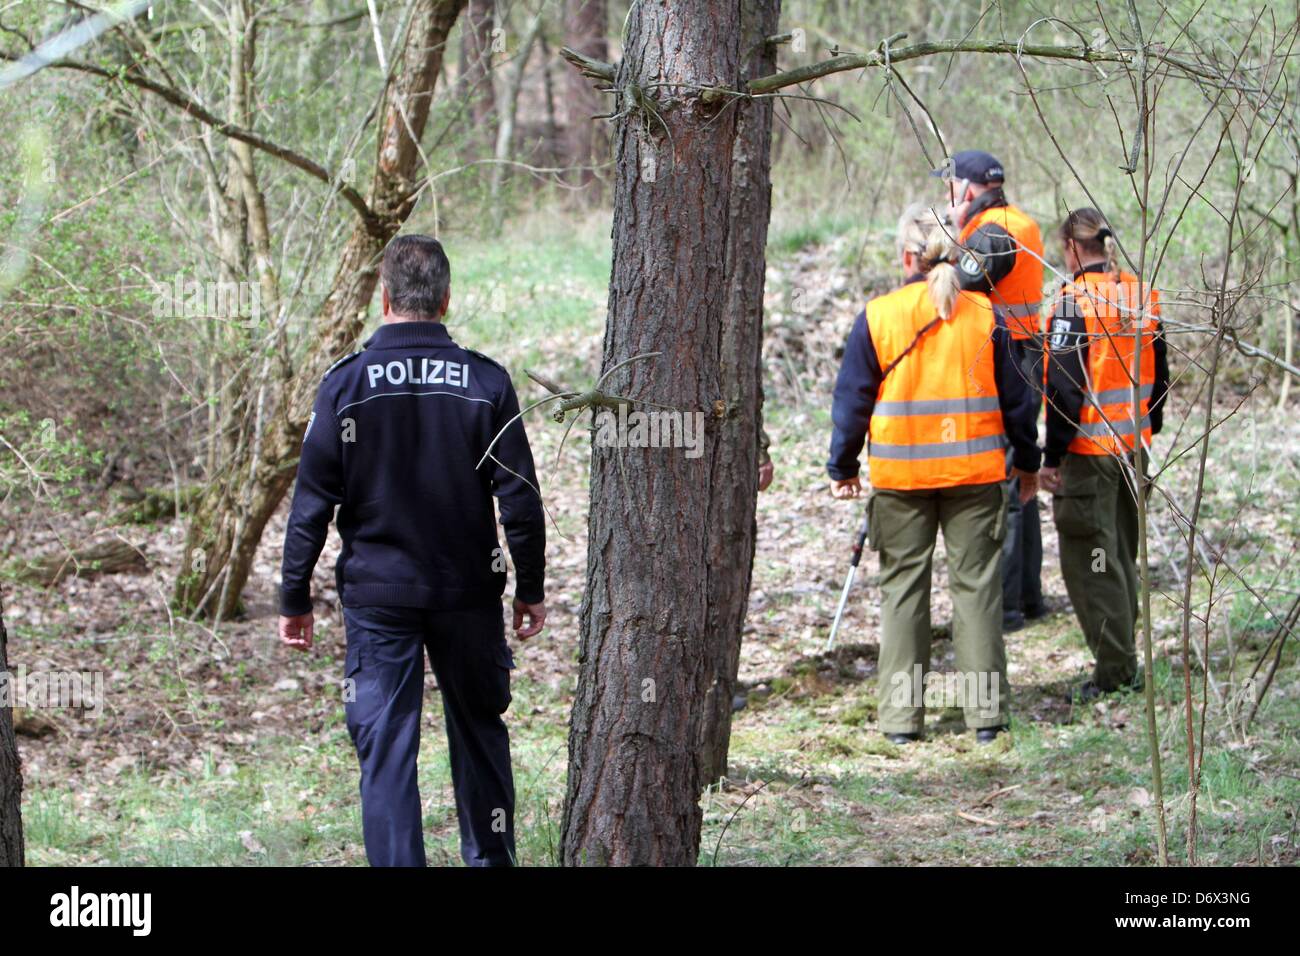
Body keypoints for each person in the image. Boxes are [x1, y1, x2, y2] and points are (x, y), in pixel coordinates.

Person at [277, 234, 547, 866]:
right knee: (480, 734)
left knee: (387, 748)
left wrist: (294, 597)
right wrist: (529, 587)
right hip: (467, 593)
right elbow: (520, 498)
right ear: (446, 299)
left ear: (384, 298)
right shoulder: (485, 382)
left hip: (378, 594)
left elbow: (311, 503)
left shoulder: (344, 384)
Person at [826, 203, 1041, 744]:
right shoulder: (988, 316)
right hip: (976, 478)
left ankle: (902, 723)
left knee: (902, 593)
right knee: (977, 593)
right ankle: (986, 720)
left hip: (901, 484)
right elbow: (1019, 403)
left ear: (906, 256)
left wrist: (843, 466)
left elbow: (852, 401)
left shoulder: (878, 316)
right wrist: (1029, 463)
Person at [1040, 208, 1168, 701]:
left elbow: (1064, 391)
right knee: (1120, 554)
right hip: (1134, 451)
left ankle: (1115, 670)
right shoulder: (1140, 294)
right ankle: (1121, 656)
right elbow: (1161, 374)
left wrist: (1052, 458)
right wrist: (1147, 428)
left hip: (1089, 454)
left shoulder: (1073, 303)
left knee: (1094, 563)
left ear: (1072, 248)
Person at [935, 150, 1048, 631]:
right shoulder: (1019, 221)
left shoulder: (993, 232)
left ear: (967, 188)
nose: (946, 195)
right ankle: (1027, 596)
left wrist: (945, 241)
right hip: (1024, 355)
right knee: (1022, 477)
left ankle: (1005, 607)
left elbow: (960, 286)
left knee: (1006, 481)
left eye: (950, 186)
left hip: (1008, 360)